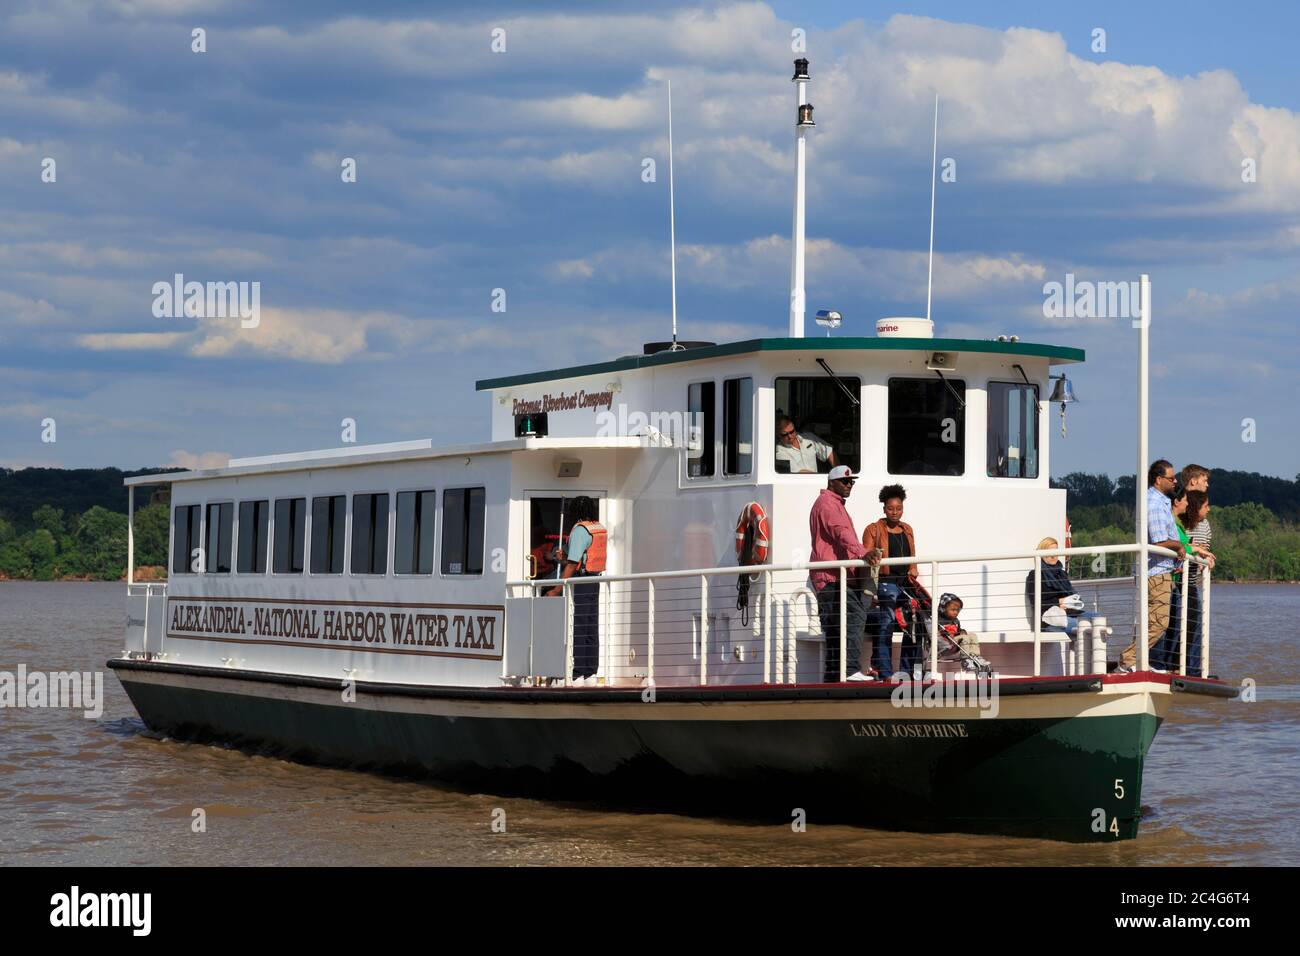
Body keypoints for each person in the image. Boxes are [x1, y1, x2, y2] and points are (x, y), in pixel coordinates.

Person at [809, 465, 877, 682]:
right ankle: (849, 670)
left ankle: (832, 678)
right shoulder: (828, 505)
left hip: (833, 575)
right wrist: (864, 552)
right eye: (845, 482)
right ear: (832, 483)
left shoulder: (832, 504)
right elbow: (841, 533)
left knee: (834, 628)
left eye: (852, 482)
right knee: (855, 615)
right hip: (831, 576)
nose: (849, 485)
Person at [1118, 460, 1184, 674]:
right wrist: (1179, 545)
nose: (1175, 482)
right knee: (1159, 623)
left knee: (1150, 622)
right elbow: (1157, 542)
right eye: (1171, 478)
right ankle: (1127, 661)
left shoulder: (1158, 501)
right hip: (1156, 574)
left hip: (1156, 572)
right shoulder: (1155, 505)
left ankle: (1138, 662)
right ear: (1158, 480)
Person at [862, 484, 922, 680]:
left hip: (905, 584)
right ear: (884, 509)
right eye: (890, 508)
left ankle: (906, 671)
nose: (895, 512)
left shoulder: (908, 529)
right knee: (886, 625)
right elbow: (866, 557)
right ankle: (886, 673)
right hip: (886, 583)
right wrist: (870, 590)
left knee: (913, 625)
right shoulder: (873, 529)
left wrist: (913, 569)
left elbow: (912, 556)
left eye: (898, 508)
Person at [1152, 488, 1213, 673]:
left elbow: (1183, 544)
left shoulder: (1175, 522)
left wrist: (1200, 551)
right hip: (1174, 579)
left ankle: (1180, 667)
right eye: (1206, 505)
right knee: (1170, 623)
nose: (1209, 509)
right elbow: (1168, 543)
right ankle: (1165, 665)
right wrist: (1194, 549)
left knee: (1183, 623)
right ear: (1176, 502)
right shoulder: (1175, 523)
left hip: (1180, 580)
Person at [545, 496, 605, 684]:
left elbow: (572, 565)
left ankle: (578, 673)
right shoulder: (598, 527)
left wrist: (556, 589)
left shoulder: (580, 530)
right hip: (594, 579)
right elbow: (578, 558)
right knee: (590, 626)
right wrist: (563, 557)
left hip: (581, 581)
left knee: (579, 626)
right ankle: (590, 673)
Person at [1025, 536, 1098, 656]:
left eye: (1056, 552)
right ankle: (1094, 664)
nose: (1054, 556)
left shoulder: (1061, 573)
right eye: (1050, 552)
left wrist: (1073, 601)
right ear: (1042, 554)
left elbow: (1073, 595)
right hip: (1050, 619)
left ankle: (1101, 662)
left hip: (1069, 613)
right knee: (1086, 626)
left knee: (1098, 617)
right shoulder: (1035, 575)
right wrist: (1059, 602)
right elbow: (1037, 603)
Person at [936, 592, 981, 660]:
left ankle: (975, 655)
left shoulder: (955, 620)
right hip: (947, 643)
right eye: (953, 610)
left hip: (956, 641)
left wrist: (962, 631)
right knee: (965, 638)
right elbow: (937, 633)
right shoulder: (938, 620)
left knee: (973, 635)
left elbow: (958, 630)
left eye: (958, 610)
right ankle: (965, 658)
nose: (956, 612)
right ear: (943, 609)